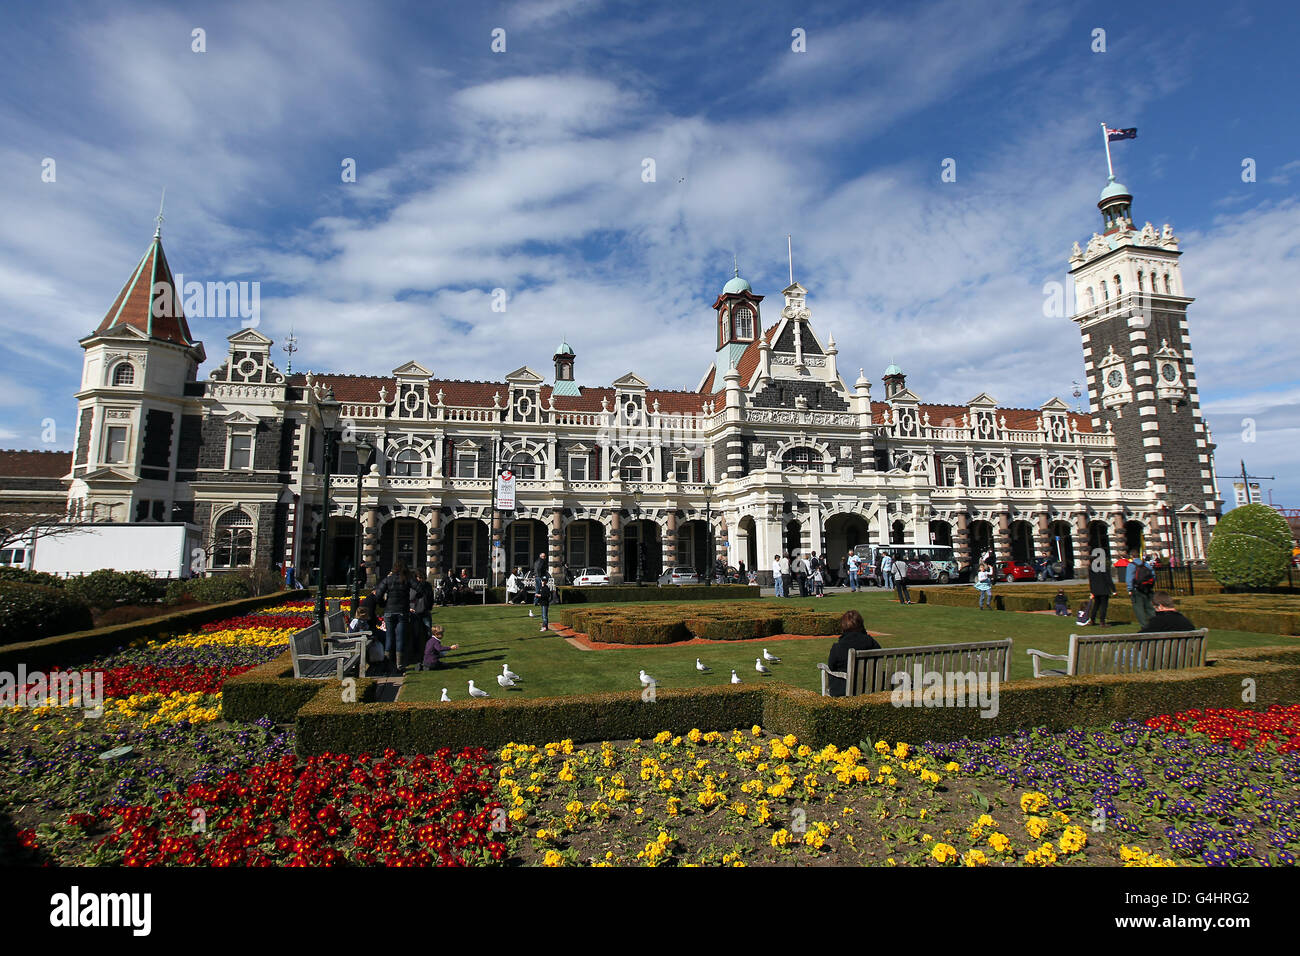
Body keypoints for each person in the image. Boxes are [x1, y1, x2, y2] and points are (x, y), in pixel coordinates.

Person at [825, 609, 881, 697]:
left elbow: (831, 666)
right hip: (869, 686)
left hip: (844, 689)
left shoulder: (838, 647)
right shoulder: (871, 642)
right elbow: (879, 655)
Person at [375, 559, 411, 671]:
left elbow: (378, 594)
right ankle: (399, 665)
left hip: (389, 611)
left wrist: (383, 604)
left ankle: (387, 664)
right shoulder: (406, 579)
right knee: (400, 638)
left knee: (389, 638)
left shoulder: (388, 579)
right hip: (402, 611)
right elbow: (420, 588)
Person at [1126, 550, 1155, 629]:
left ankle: (1144, 626)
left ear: (1132, 556)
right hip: (1147, 588)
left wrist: (1130, 589)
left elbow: (1129, 579)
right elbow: (1153, 575)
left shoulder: (1131, 565)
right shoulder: (1146, 564)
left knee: (1139, 609)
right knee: (1150, 607)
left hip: (1137, 589)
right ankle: (1155, 623)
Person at [409, 570, 435, 658]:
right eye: (419, 578)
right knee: (416, 632)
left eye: (422, 578)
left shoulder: (427, 585)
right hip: (415, 612)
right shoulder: (413, 586)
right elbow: (411, 597)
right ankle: (416, 651)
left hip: (425, 611)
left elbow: (431, 597)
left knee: (428, 632)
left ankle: (429, 650)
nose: (421, 580)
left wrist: (430, 607)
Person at [1086, 554, 1116, 626]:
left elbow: (1091, 581)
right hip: (1104, 589)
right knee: (1103, 606)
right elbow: (1108, 579)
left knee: (1096, 605)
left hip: (1095, 590)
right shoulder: (1104, 568)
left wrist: (1092, 591)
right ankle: (1102, 622)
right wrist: (1114, 589)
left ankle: (1092, 620)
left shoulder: (1091, 568)